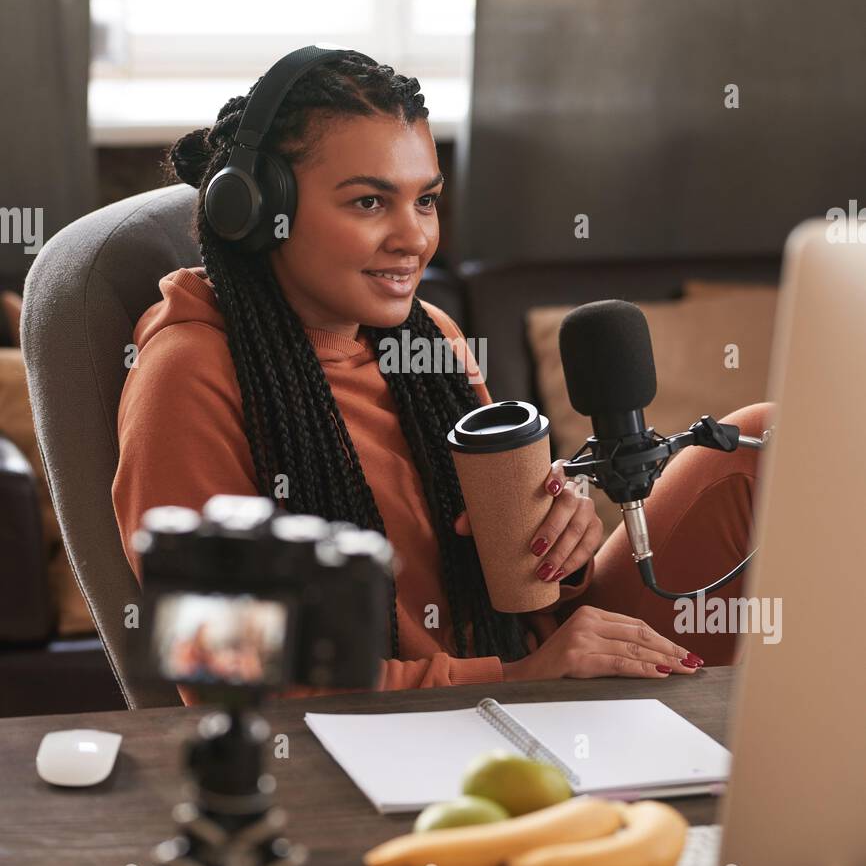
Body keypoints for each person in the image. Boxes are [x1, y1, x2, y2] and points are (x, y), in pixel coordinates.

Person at [111, 51, 770, 703]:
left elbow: (517, 594)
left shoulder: (427, 336)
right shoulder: (188, 375)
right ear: (256, 214)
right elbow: (224, 658)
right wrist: (515, 680)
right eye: (369, 201)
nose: (414, 238)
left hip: (525, 670)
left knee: (766, 440)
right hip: (396, 726)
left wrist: (558, 553)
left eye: (425, 200)